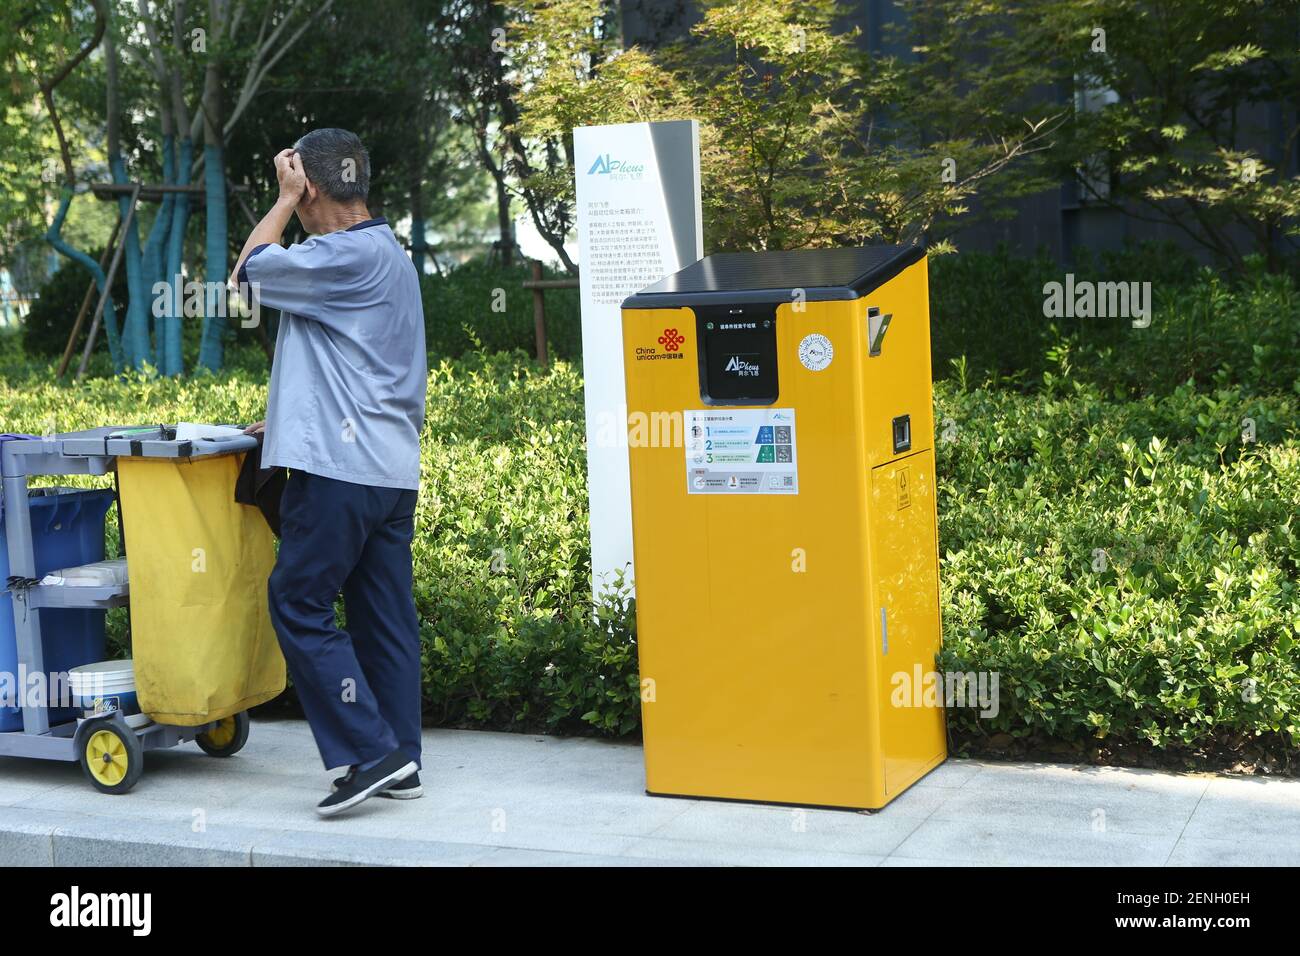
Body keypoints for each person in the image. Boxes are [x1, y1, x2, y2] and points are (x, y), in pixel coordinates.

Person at [230, 128, 427, 817]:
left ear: (308, 187)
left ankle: (369, 754)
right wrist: (285, 416)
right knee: (383, 616)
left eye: (295, 184)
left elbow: (245, 276)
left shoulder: (334, 255)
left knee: (298, 601)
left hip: (340, 473)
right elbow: (351, 359)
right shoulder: (388, 254)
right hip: (390, 470)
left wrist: (280, 202)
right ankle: (401, 755)